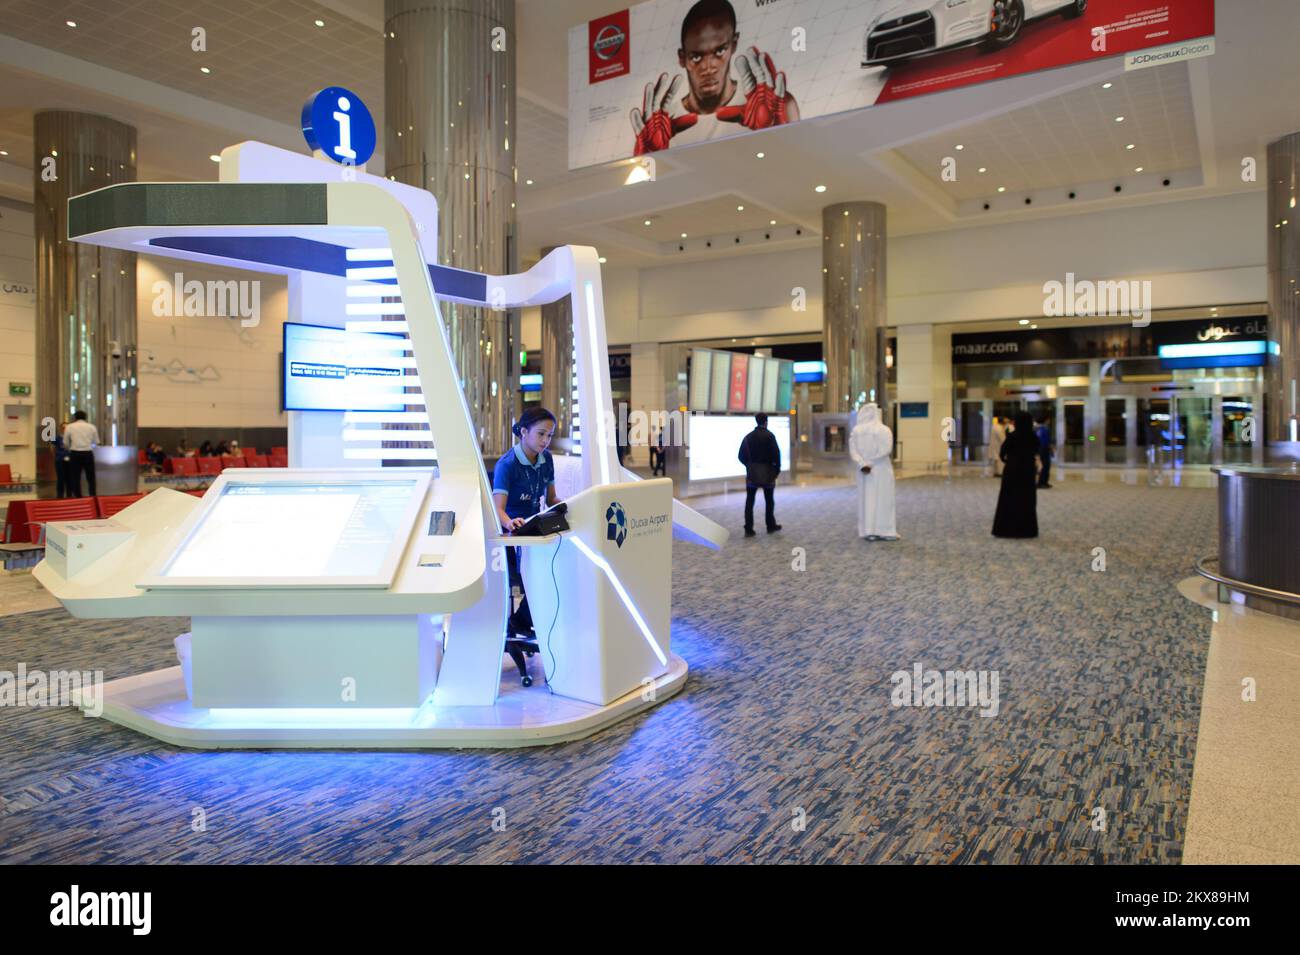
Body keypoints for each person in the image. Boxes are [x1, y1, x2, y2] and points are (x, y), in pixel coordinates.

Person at [629, 0, 799, 155]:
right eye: (696, 57)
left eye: (719, 51)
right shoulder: (658, 127)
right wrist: (647, 160)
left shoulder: (774, 106)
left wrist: (777, 134)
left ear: (734, 44)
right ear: (682, 58)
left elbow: (798, 171)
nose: (708, 67)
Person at [492, 407, 561, 639]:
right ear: (523, 432)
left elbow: (552, 499)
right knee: (532, 582)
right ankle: (516, 623)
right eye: (541, 434)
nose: (545, 441)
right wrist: (510, 522)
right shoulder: (507, 464)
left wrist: (572, 504)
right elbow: (498, 509)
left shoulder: (547, 459)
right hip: (511, 535)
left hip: (536, 531)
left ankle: (519, 622)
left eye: (549, 436)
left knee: (555, 576)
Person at [849, 403, 898, 540]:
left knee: (866, 499)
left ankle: (867, 530)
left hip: (863, 471)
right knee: (884, 499)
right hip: (881, 469)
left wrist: (863, 463)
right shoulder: (884, 430)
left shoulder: (856, 431)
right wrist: (871, 463)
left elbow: (853, 451)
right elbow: (886, 450)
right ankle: (886, 531)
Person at [992, 410, 1040, 539]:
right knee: (1026, 500)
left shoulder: (1013, 436)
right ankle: (1026, 530)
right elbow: (1037, 450)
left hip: (1012, 471)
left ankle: (1007, 529)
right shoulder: (1033, 436)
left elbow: (1003, 453)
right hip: (1028, 472)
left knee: (1009, 499)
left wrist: (1009, 460)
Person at [738, 412, 781, 537]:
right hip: (768, 474)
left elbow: (740, 455)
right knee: (769, 501)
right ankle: (770, 525)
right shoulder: (770, 436)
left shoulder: (748, 437)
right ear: (766, 422)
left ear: (756, 421)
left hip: (752, 474)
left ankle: (749, 528)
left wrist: (749, 465)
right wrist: (776, 471)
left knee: (750, 501)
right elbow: (776, 455)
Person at [64, 410, 98, 498]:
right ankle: (92, 496)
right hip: (88, 453)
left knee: (75, 477)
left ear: (75, 418)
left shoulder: (70, 427)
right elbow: (96, 442)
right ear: (85, 417)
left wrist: (69, 449)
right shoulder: (92, 427)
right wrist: (90, 447)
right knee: (91, 477)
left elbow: (65, 442)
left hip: (75, 454)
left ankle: (78, 497)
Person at [52, 420, 71, 498]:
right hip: (59, 460)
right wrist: (56, 456)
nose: (65, 429)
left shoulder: (72, 438)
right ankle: (60, 495)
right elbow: (52, 448)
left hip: (70, 461)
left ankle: (69, 495)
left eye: (67, 427)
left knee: (69, 479)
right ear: (61, 428)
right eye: (63, 428)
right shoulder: (56, 438)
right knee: (60, 478)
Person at [1034, 416, 1054, 488]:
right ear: (1045, 421)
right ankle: (1042, 483)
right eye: (1048, 420)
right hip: (1044, 450)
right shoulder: (1044, 429)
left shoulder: (1036, 428)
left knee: (1041, 466)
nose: (1049, 421)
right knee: (1045, 466)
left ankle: (1043, 482)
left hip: (1039, 450)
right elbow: (1045, 441)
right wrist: (1050, 448)